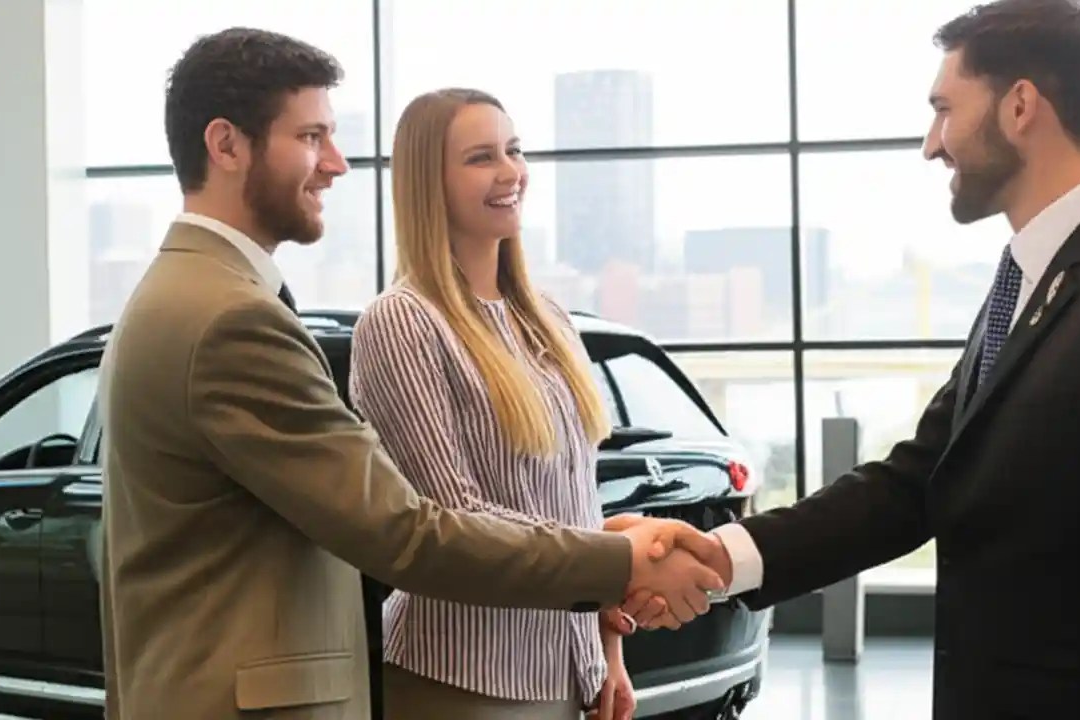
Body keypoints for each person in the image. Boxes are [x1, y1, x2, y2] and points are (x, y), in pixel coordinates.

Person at [97, 28, 722, 720]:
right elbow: (408, 531)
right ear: (226, 145)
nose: (335, 163)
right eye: (310, 137)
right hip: (386, 683)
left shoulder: (194, 295)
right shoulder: (230, 318)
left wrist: (606, 598)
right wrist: (620, 563)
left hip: (546, 666)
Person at [627, 1, 1080, 717]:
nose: (932, 144)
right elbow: (916, 482)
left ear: (1020, 106)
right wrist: (722, 557)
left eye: (945, 108)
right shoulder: (1031, 279)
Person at [349, 88, 643, 720]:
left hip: (573, 672)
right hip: (465, 679)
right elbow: (452, 518)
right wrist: (616, 568)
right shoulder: (402, 322)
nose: (511, 172)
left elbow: (576, 502)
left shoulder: (549, 319)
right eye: (481, 157)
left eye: (513, 149)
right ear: (431, 183)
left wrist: (606, 646)